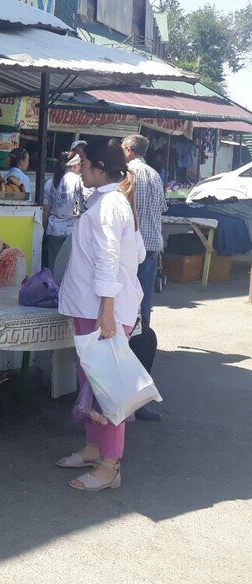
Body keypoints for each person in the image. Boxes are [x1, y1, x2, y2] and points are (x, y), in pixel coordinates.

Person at [57, 137, 146, 492]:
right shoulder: (109, 200)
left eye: (82, 163)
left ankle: (111, 465)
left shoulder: (110, 205)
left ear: (98, 168)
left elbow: (111, 260)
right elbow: (136, 253)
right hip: (91, 308)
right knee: (91, 385)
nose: (78, 170)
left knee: (107, 390)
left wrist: (107, 312)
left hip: (102, 312)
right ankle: (95, 448)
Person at [121, 135, 167, 399]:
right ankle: (141, 354)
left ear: (129, 150)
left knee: (125, 303)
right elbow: (160, 208)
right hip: (151, 246)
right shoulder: (155, 175)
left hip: (133, 246)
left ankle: (127, 356)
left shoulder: (128, 175)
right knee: (143, 304)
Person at [42, 152, 85, 269]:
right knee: (68, 269)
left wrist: (44, 230)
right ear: (75, 165)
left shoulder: (50, 182)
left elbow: (46, 210)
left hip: (54, 230)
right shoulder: (79, 181)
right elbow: (79, 208)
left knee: (54, 267)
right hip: (72, 231)